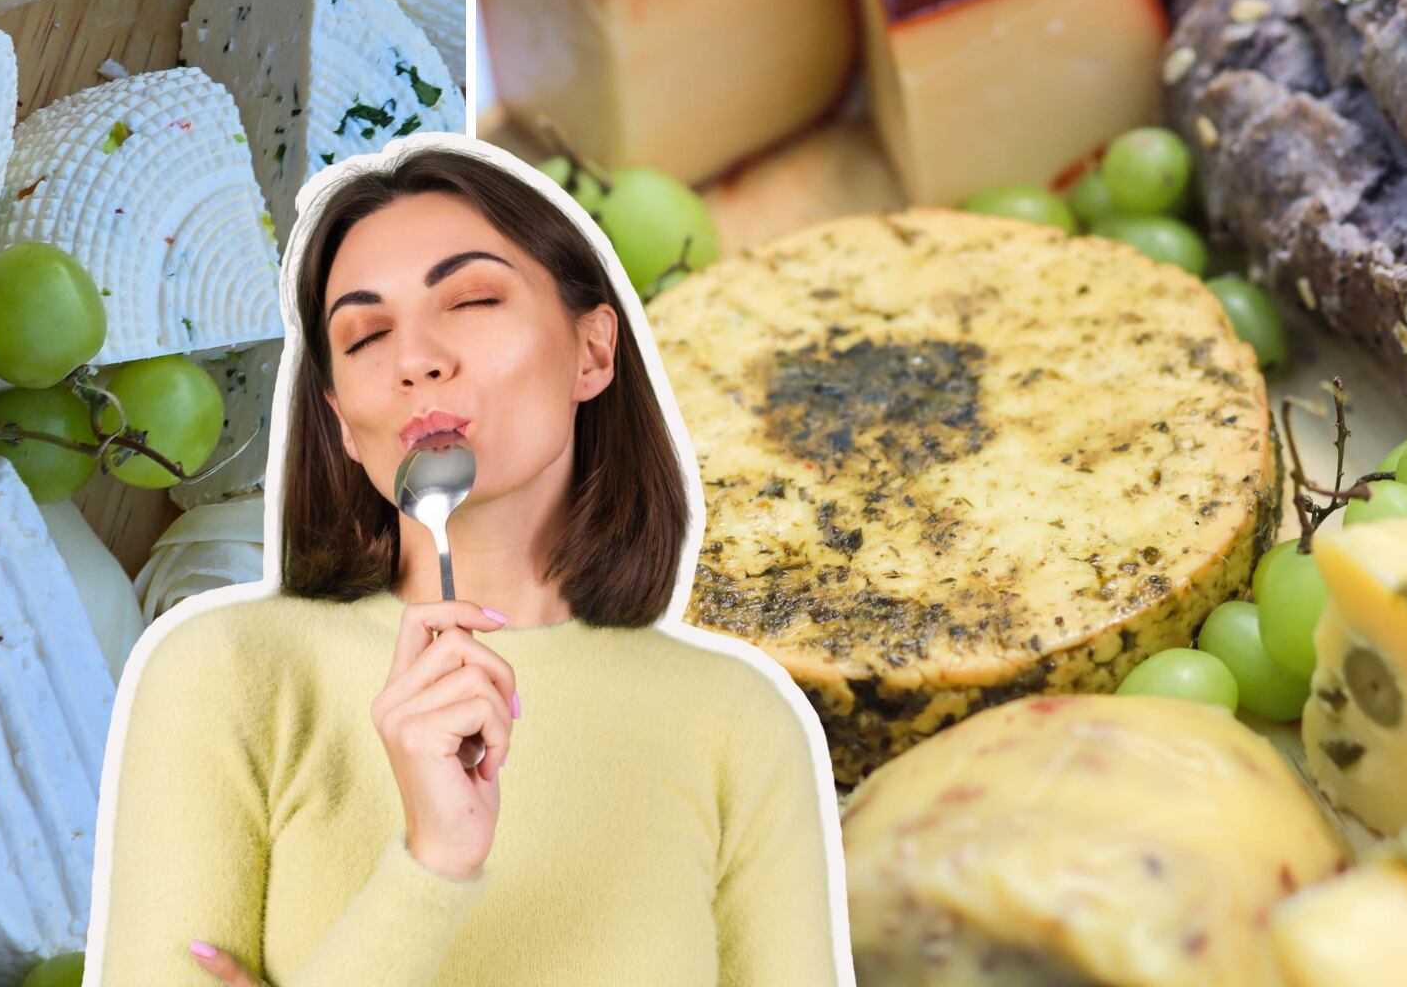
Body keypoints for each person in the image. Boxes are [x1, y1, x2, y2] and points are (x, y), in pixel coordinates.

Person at [87, 134, 849, 985]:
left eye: (473, 300)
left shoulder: (740, 721)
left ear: (593, 351)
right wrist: (433, 864)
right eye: (367, 335)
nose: (416, 359)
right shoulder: (227, 673)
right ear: (341, 419)